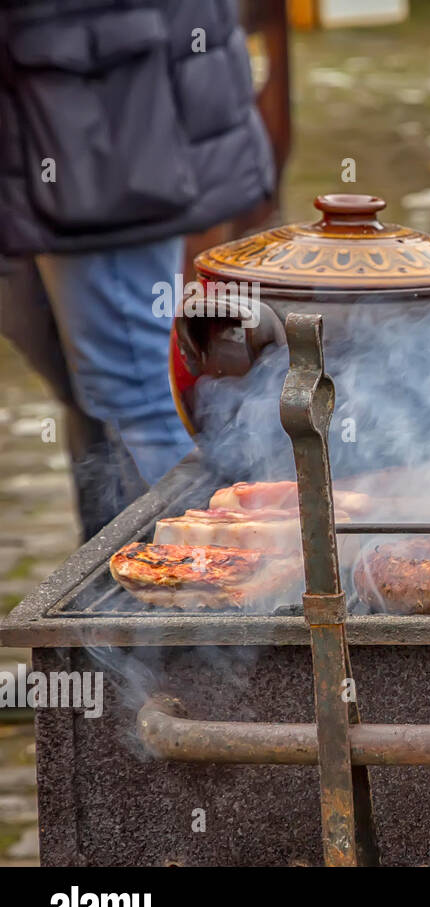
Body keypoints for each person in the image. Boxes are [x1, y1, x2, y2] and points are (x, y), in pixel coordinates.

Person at [0, 0, 275, 539]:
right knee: (99, 392)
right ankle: (124, 564)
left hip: (96, 101)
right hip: (73, 90)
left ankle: (218, 578)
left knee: (138, 391)